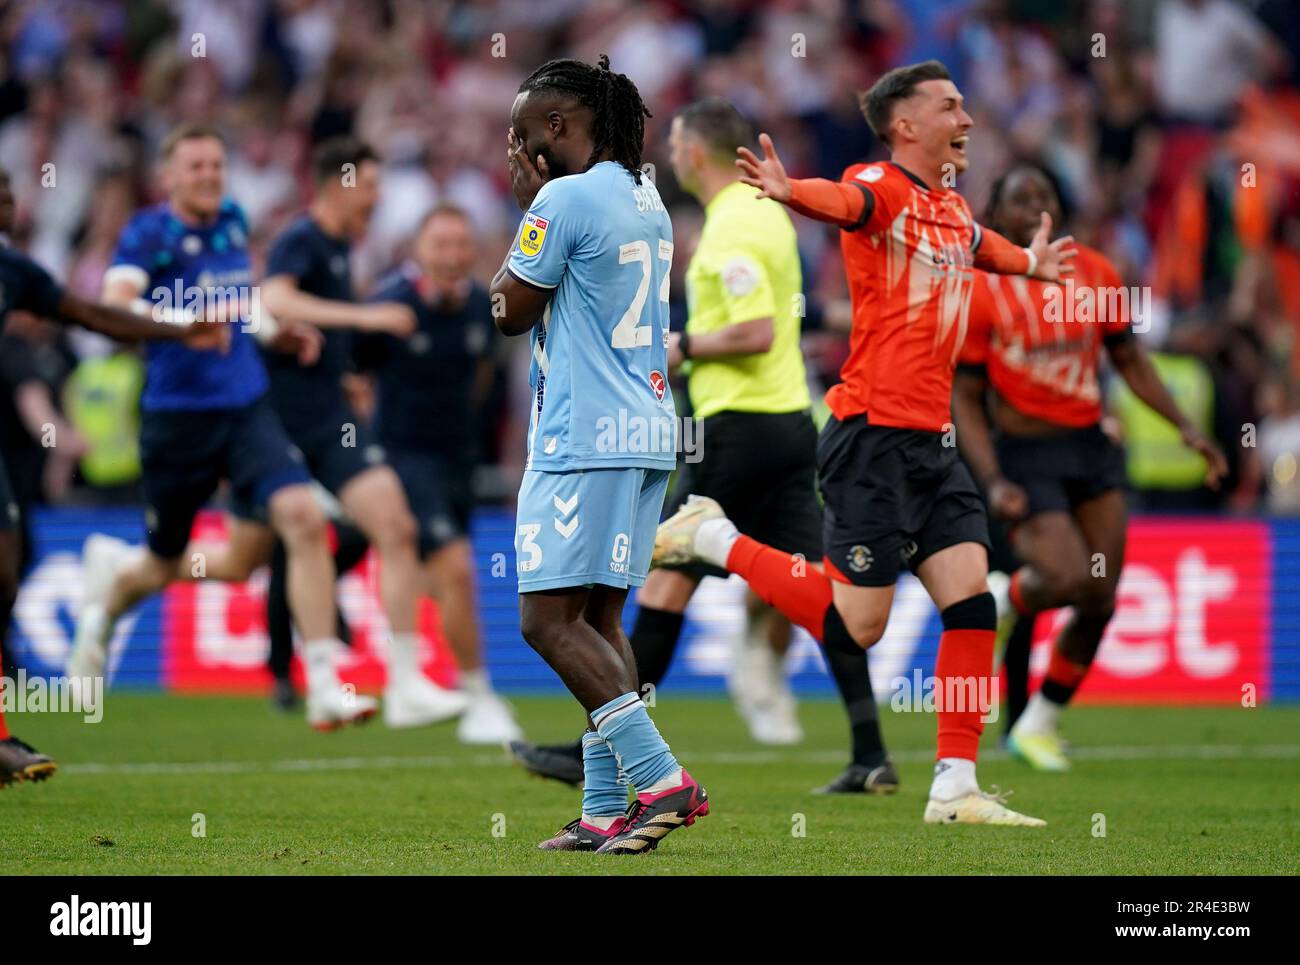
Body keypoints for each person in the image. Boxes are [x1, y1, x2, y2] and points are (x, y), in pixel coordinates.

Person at [654, 60, 1074, 827]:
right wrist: (793, 192)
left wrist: (1031, 263)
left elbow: (982, 245)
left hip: (933, 444)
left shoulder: (948, 207)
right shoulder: (879, 183)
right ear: (906, 124)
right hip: (871, 437)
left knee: (973, 602)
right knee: (859, 624)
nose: (968, 118)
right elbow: (847, 202)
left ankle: (955, 784)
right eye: (951, 106)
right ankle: (710, 535)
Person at [509, 97, 897, 796]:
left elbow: (756, 332)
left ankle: (607, 745)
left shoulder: (731, 226)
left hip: (735, 425)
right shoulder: (765, 217)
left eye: (679, 142)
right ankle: (871, 749)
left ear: (696, 151)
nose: (673, 153)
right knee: (820, 589)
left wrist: (683, 344)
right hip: (788, 422)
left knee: (658, 581)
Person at [65, 123, 377, 732]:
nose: (210, 174)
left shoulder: (234, 220)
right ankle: (106, 597)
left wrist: (270, 331)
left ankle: (323, 681)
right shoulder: (149, 231)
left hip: (246, 408)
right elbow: (113, 302)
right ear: (170, 176)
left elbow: (242, 300)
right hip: (176, 420)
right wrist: (185, 324)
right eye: (196, 166)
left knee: (304, 517)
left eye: (216, 164)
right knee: (179, 563)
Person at [490, 56, 707, 854]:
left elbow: (508, 312)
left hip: (583, 434)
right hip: (648, 428)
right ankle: (605, 807)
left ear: (556, 127)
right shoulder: (646, 194)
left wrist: (526, 209)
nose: (515, 150)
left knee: (546, 622)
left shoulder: (561, 196)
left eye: (521, 133)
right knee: (599, 619)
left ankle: (662, 780)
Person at [952, 162, 1227, 771]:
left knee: (1102, 596)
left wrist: (1187, 430)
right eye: (1020, 199)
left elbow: (1131, 361)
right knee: (1069, 577)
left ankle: (1039, 724)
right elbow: (964, 397)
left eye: (1045, 195)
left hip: (1089, 447)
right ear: (995, 217)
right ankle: (1008, 599)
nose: (1036, 207)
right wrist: (993, 477)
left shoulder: (1096, 273)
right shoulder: (982, 287)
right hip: (1025, 455)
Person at [0, 164, 228, 782]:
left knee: (4, 572)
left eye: (10, 193)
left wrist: (180, 330)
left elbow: (93, 315)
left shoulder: (12, 269)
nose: (10, 205)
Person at [254, 137, 469, 729]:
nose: (377, 198)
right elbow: (273, 298)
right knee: (235, 558)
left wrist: (343, 370)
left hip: (330, 416)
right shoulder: (302, 238)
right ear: (339, 183)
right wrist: (365, 315)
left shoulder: (343, 248)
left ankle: (403, 683)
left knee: (394, 525)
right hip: (281, 419)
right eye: (370, 185)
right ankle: (120, 572)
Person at [350, 204, 521, 743]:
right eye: (440, 244)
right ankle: (478, 697)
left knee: (442, 580)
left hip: (458, 459)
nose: (452, 255)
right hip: (401, 457)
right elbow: (349, 374)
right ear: (418, 249)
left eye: (460, 245)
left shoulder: (481, 305)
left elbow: (483, 375)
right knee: (458, 570)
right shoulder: (388, 304)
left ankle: (444, 685)